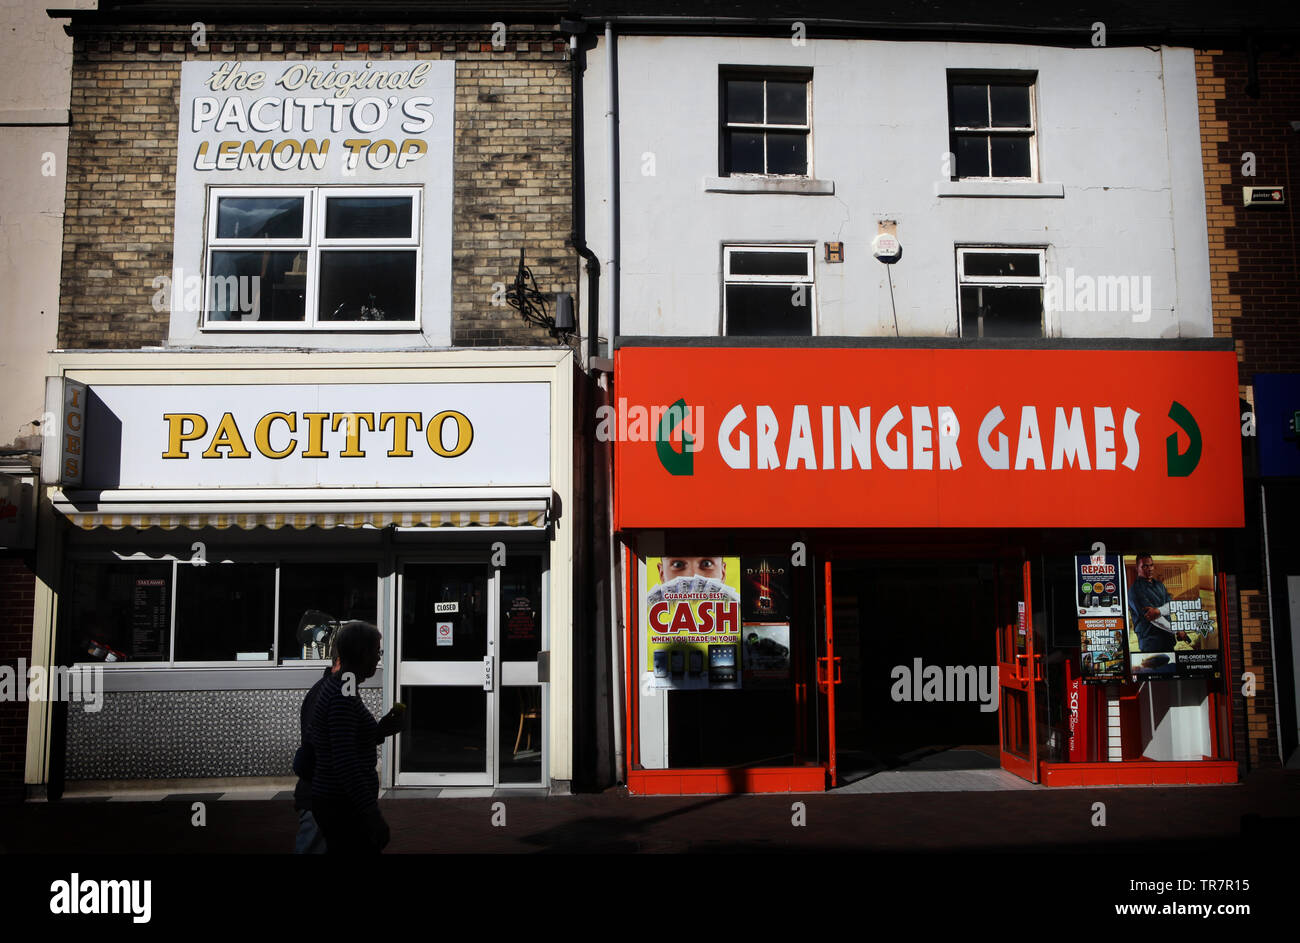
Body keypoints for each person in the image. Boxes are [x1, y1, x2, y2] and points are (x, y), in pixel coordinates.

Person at [304, 621, 405, 854]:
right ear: (362, 653)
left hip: (336, 800)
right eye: (376, 651)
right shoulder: (342, 695)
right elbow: (345, 762)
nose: (378, 658)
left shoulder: (344, 687)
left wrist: (381, 730)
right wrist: (371, 812)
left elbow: (349, 739)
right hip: (341, 803)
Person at [1127, 554, 1177, 653]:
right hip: (1150, 642)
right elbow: (1152, 616)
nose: (1149, 569)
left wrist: (1160, 611)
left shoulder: (1159, 585)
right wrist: (1176, 629)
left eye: (1151, 565)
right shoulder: (1135, 590)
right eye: (1145, 566)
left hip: (1168, 640)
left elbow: (1171, 606)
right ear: (1137, 568)